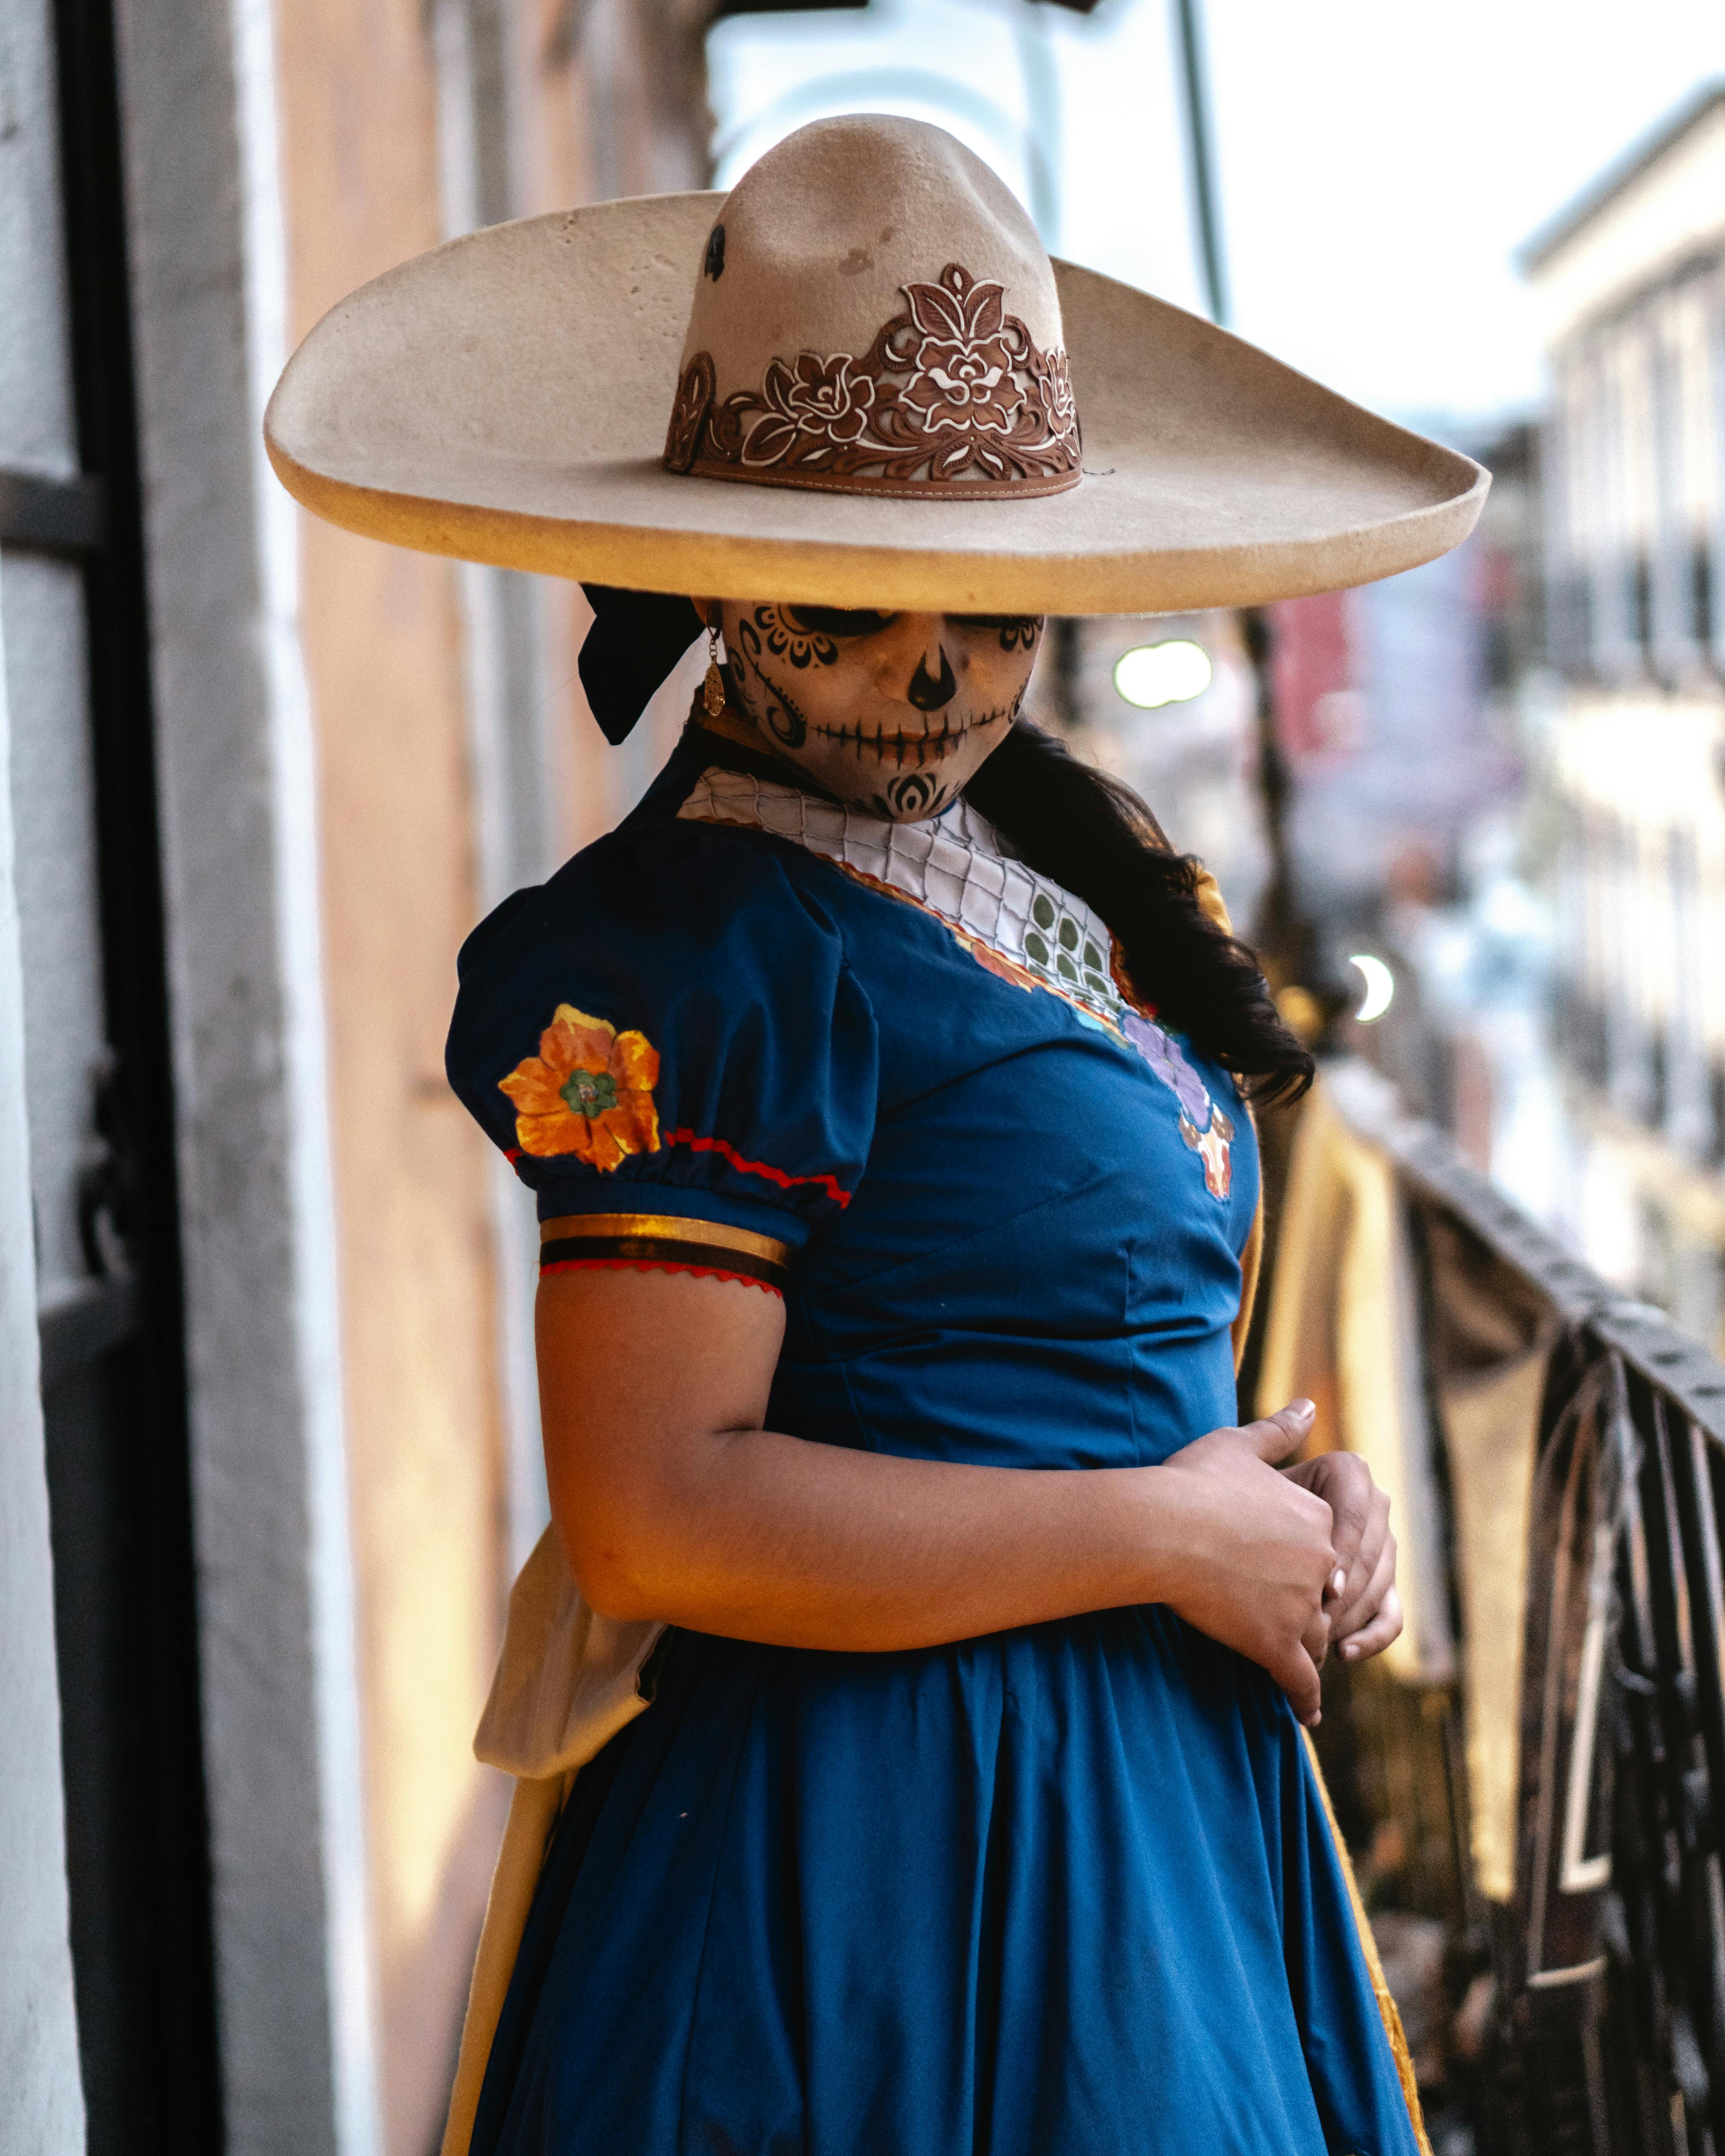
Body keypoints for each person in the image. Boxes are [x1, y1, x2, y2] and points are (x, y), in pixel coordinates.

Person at [267, 111, 1486, 2156]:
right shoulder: (700, 955)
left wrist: (1277, 1493)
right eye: (851, 606)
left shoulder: (1031, 868)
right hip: (877, 1876)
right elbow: (659, 1510)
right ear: (719, 582)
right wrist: (1160, 1533)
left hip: (1152, 1827)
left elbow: (1057, 1335)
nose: (934, 674)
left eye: (994, 612)